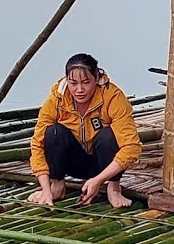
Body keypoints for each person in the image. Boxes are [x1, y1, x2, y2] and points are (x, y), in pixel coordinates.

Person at [27, 53, 142, 208]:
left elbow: (132, 147)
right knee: (53, 132)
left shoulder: (113, 96)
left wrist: (99, 180)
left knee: (109, 136)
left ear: (96, 78)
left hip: (104, 164)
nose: (79, 90)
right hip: (73, 162)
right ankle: (56, 186)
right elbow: (37, 144)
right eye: (73, 83)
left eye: (86, 82)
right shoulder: (57, 99)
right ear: (67, 80)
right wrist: (45, 189)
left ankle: (114, 188)